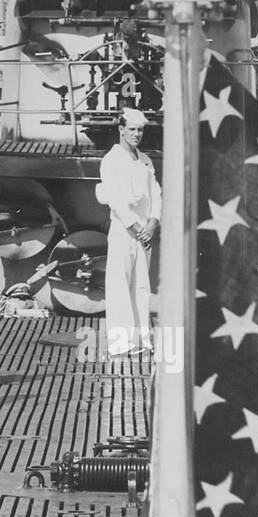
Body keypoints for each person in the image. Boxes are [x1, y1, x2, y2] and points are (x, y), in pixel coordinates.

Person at [96, 107, 161, 357]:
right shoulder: (111, 160)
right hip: (125, 231)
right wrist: (136, 226)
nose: (136, 134)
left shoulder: (145, 160)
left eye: (140, 130)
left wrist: (153, 222)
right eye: (132, 129)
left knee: (142, 286)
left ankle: (142, 339)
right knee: (119, 284)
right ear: (121, 129)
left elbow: (156, 193)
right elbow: (115, 199)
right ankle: (121, 344)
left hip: (145, 230)